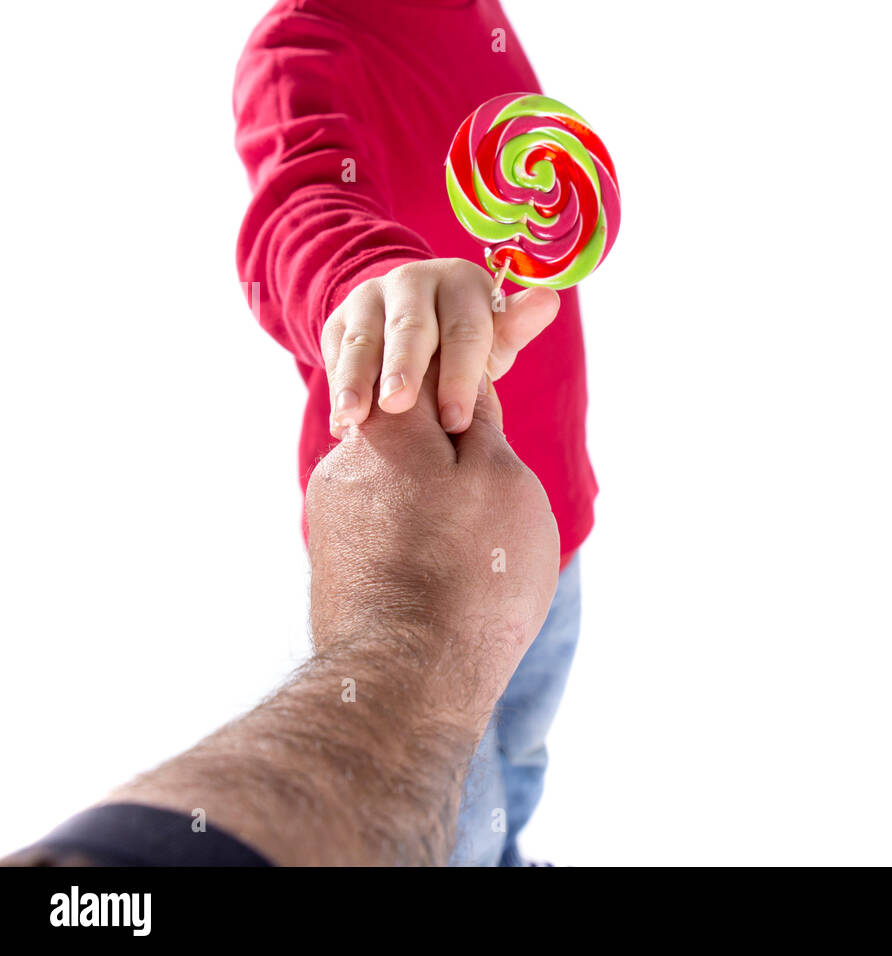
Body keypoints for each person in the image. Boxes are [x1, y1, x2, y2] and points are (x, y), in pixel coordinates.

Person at [234, 0, 596, 866]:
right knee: (442, 813)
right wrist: (368, 276)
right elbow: (299, 206)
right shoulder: (301, 46)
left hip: (552, 517)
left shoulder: (475, 15)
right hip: (420, 552)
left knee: (518, 757)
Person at [4, 370, 559, 867]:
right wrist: (377, 283)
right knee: (457, 789)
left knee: (522, 748)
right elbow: (286, 254)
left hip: (555, 542)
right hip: (414, 536)